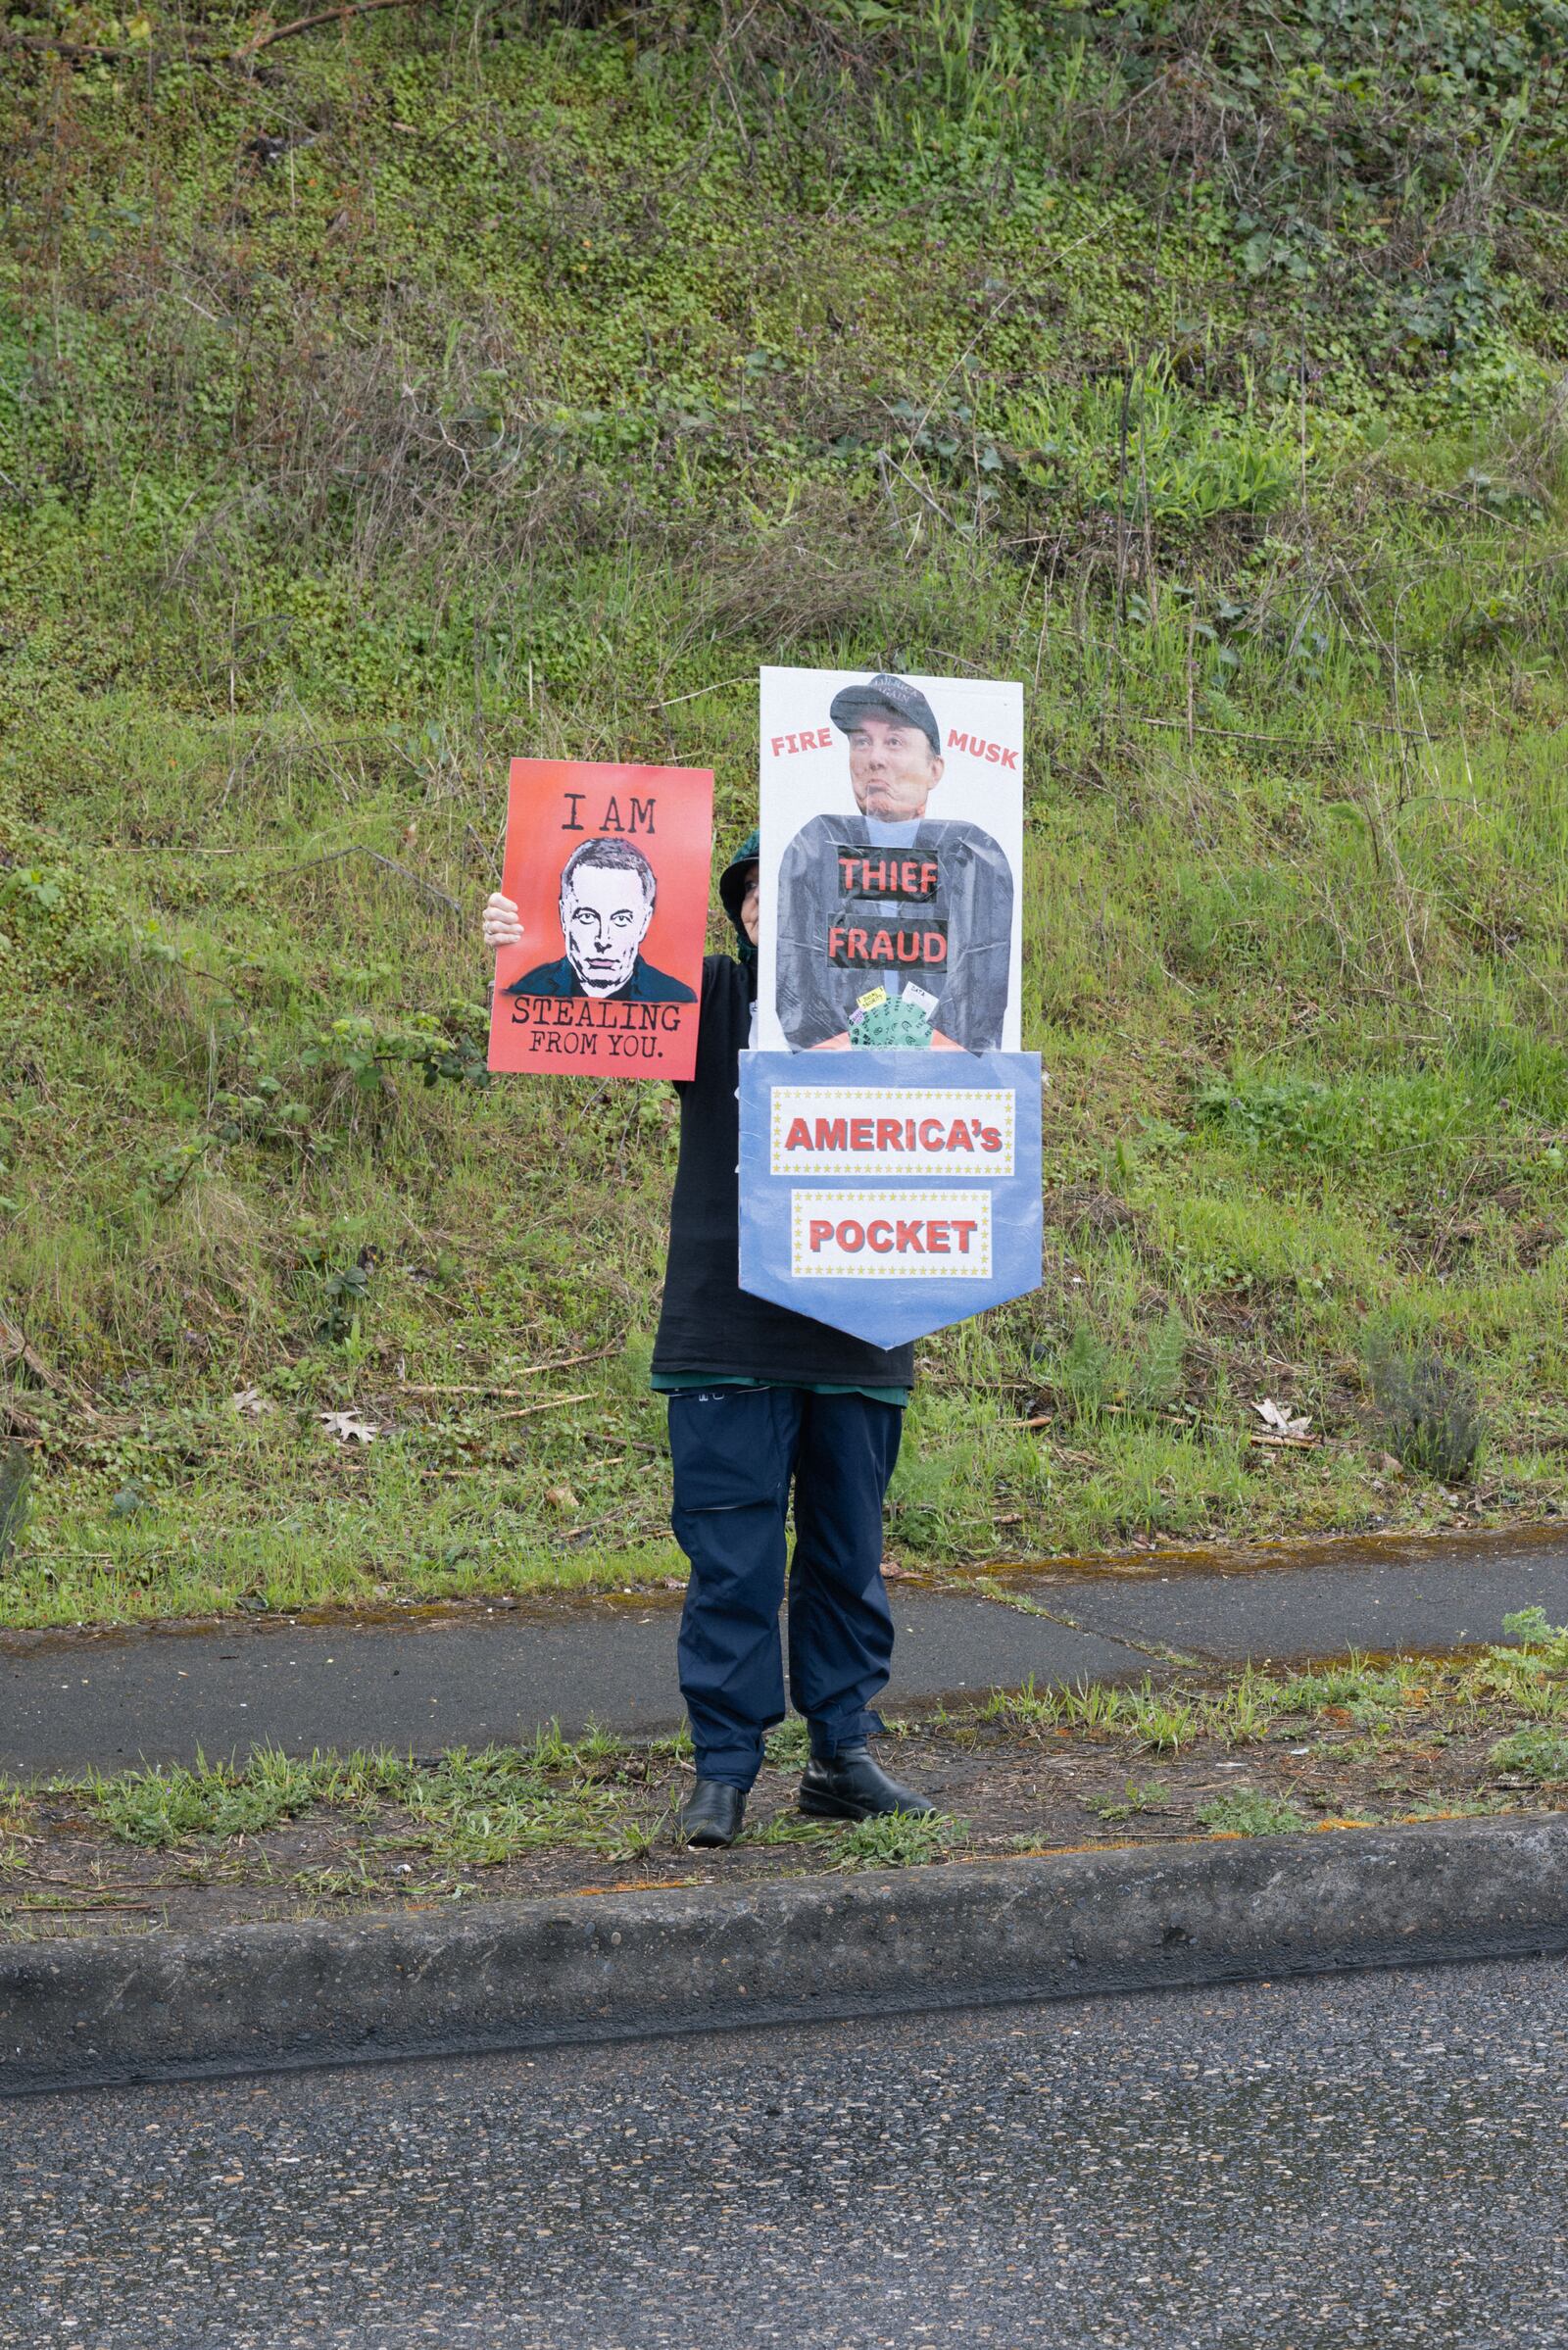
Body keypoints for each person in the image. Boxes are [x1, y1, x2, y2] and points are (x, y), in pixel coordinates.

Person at [483, 830, 932, 1847]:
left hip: (863, 1329)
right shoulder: (710, 1000)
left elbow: (971, 1089)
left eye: (786, 888)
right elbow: (578, 1004)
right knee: (732, 1565)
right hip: (725, 1333)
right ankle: (723, 1771)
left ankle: (842, 1756)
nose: (761, 905)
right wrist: (519, 937)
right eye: (747, 892)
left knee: (848, 1558)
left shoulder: (901, 1008)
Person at [773, 672, 1013, 1052]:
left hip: (941, 1080)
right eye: (861, 741)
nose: (874, 759)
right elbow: (801, 1000)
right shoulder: (813, 852)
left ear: (935, 769)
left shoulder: (975, 858)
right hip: (835, 1078)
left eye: (895, 741)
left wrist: (917, 1065)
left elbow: (978, 1011)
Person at [504, 836, 696, 1004]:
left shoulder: (678, 1000)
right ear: (564, 916)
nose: (603, 941)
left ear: (643, 923)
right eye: (587, 917)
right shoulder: (525, 993)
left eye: (621, 919)